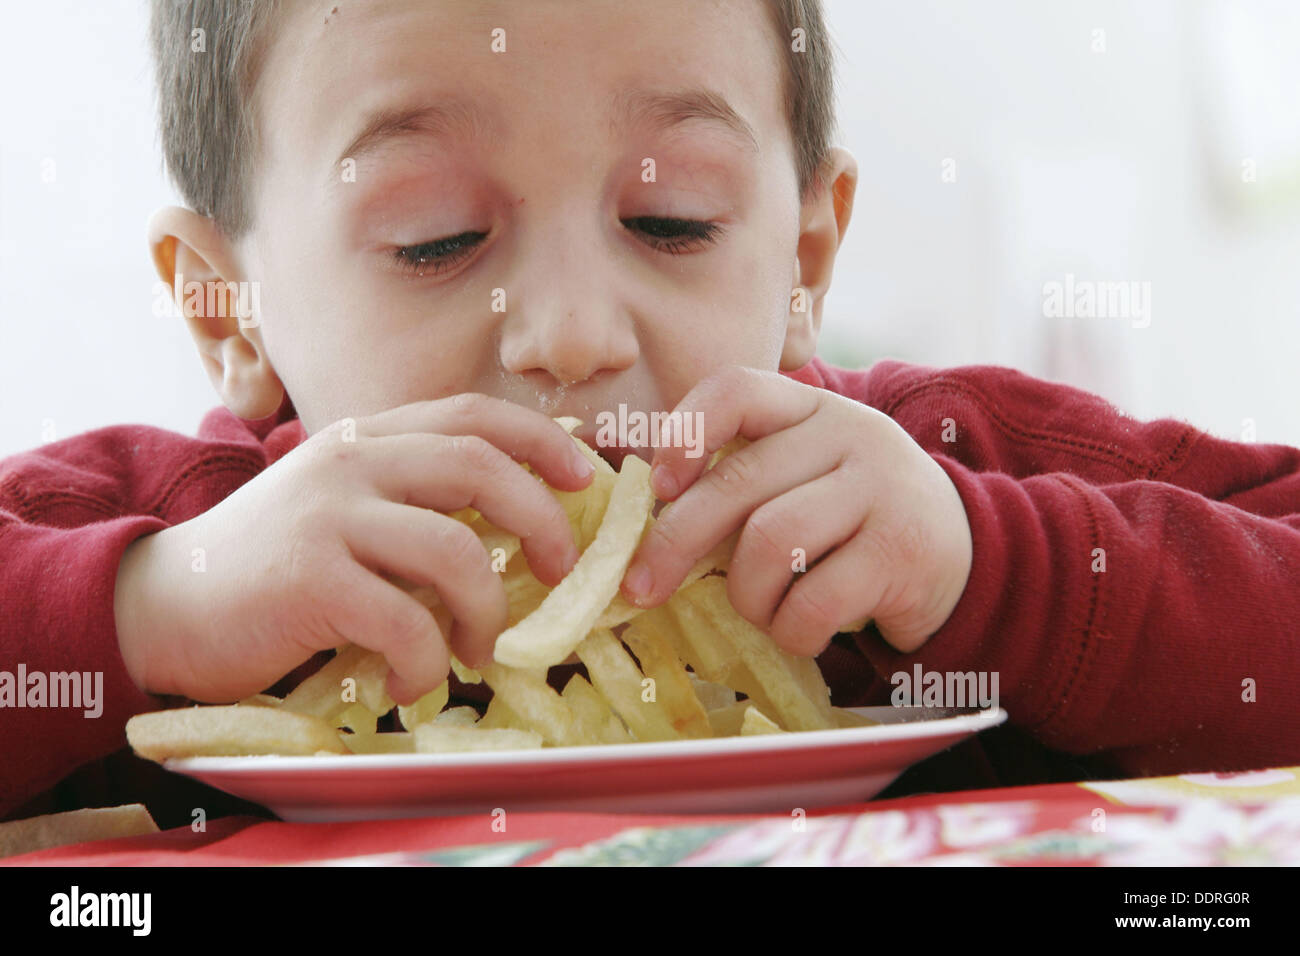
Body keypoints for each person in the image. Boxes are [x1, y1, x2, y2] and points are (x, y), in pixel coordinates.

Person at [2, 0, 1296, 826]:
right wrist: (148, 611)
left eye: (672, 221)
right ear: (231, 310)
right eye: (436, 239)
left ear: (801, 262)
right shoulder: (184, 543)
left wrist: (1002, 572)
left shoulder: (938, 478)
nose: (571, 335)